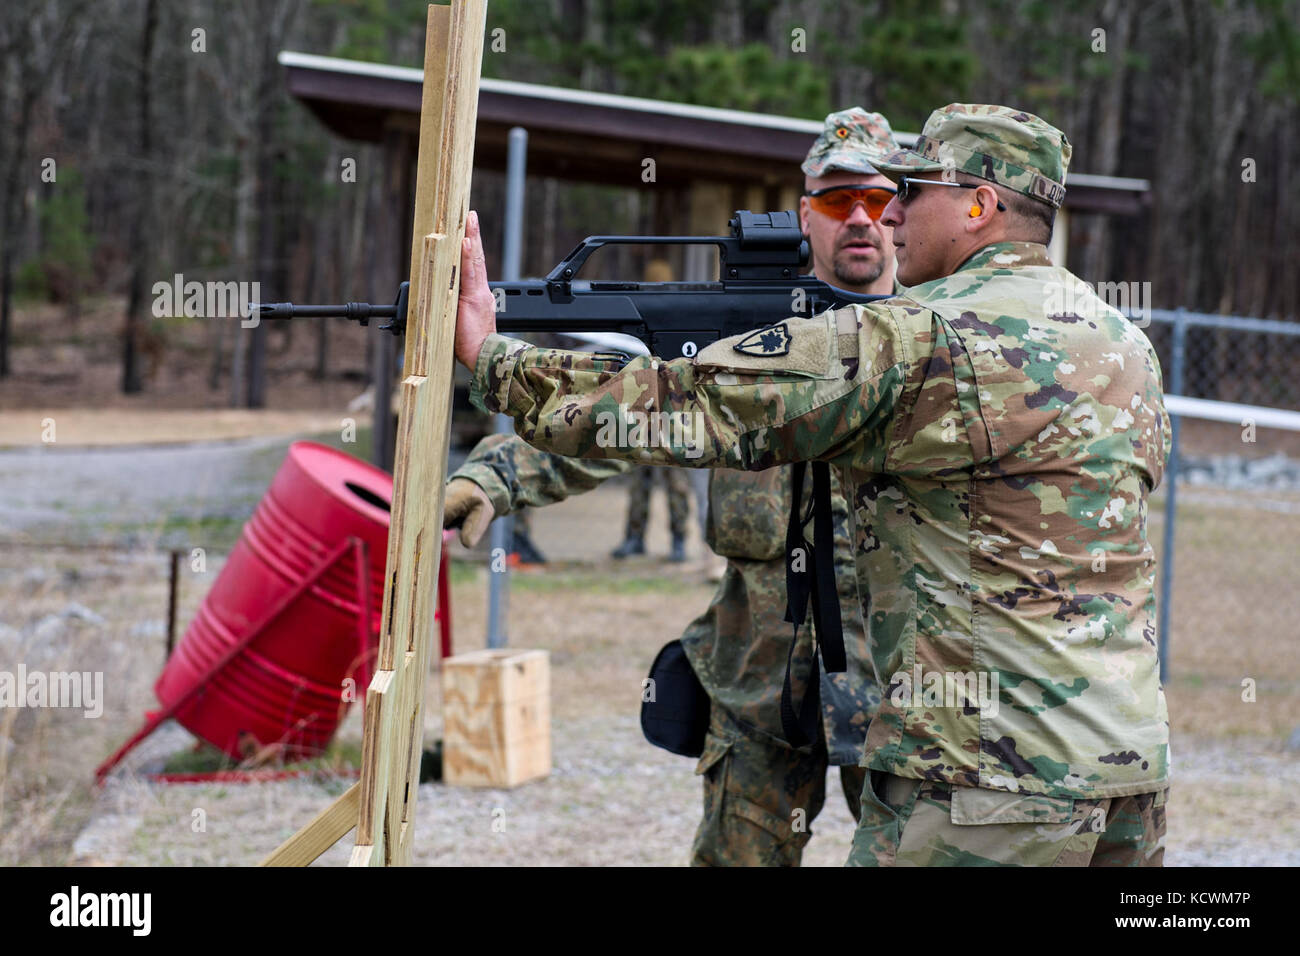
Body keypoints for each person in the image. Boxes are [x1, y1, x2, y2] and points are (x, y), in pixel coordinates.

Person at [454, 104, 1172, 867]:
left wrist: (496, 360)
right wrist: (500, 475)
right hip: (1120, 767)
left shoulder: (914, 337)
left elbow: (682, 403)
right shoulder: (1124, 342)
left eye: (908, 190)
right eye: (845, 200)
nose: (886, 214)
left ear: (979, 204)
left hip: (980, 773)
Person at [443, 108, 902, 865]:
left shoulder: (936, 340)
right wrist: (497, 477)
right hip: (756, 676)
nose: (860, 219)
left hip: (893, 680)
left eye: (879, 201)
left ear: (903, 214)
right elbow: (632, 416)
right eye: (834, 201)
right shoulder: (747, 339)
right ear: (803, 214)